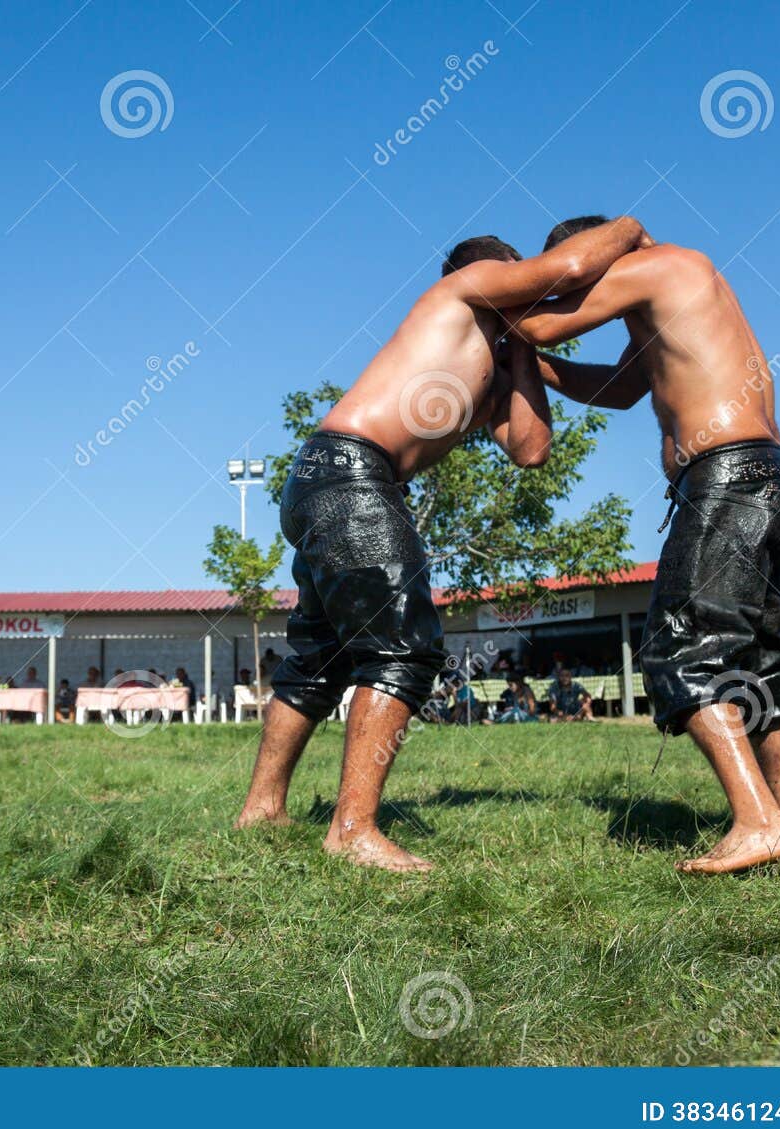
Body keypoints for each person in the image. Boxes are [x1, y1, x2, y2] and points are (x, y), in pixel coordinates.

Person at [233, 216, 649, 871]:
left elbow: (533, 448)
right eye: (520, 283)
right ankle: (352, 830)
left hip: (329, 479)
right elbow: (568, 270)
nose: (532, 297)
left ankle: (261, 808)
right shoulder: (465, 288)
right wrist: (628, 228)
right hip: (351, 470)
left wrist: (522, 353)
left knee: (321, 656)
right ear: (498, 274)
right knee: (405, 649)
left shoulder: (495, 358)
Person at [508, 214, 780, 874]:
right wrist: (544, 369)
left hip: (728, 485)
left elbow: (534, 321)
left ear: (594, 258)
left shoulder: (651, 266)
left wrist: (481, 293)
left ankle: (758, 822)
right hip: (776, 483)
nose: (567, 292)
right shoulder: (682, 283)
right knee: (764, 667)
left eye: (569, 278)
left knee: (679, 651)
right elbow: (620, 391)